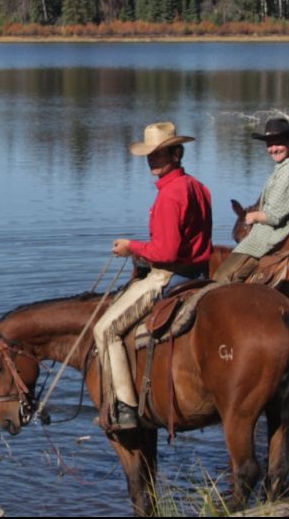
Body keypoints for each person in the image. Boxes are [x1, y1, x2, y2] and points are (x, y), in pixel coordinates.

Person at [94, 122, 212, 432]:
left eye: (158, 154)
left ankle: (125, 408)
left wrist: (131, 247)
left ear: (176, 154)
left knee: (104, 330)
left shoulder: (170, 195)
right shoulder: (197, 186)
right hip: (200, 272)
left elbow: (167, 252)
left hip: (168, 276)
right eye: (149, 154)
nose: (152, 160)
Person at [215, 118, 289, 283]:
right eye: (270, 144)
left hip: (276, 235)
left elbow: (274, 215)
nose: (273, 149)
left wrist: (253, 216)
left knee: (223, 276)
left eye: (279, 143)